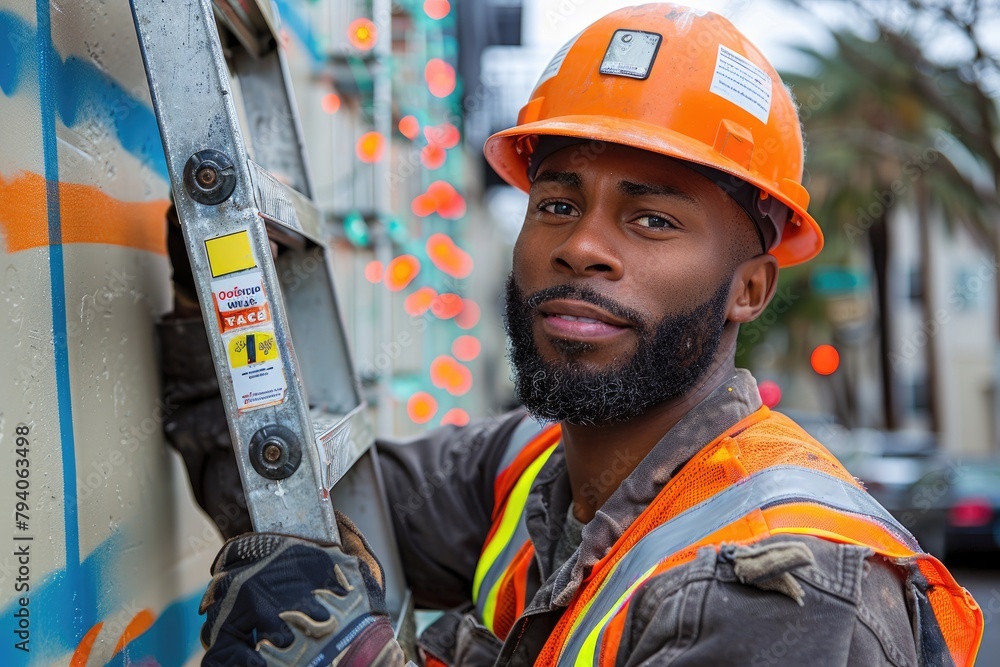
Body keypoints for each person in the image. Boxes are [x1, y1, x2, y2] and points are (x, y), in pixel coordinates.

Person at [162, 4, 984, 666]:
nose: (580, 245)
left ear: (750, 288)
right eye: (556, 203)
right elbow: (289, 505)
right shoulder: (529, 468)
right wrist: (228, 309)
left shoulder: (785, 583)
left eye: (652, 218)